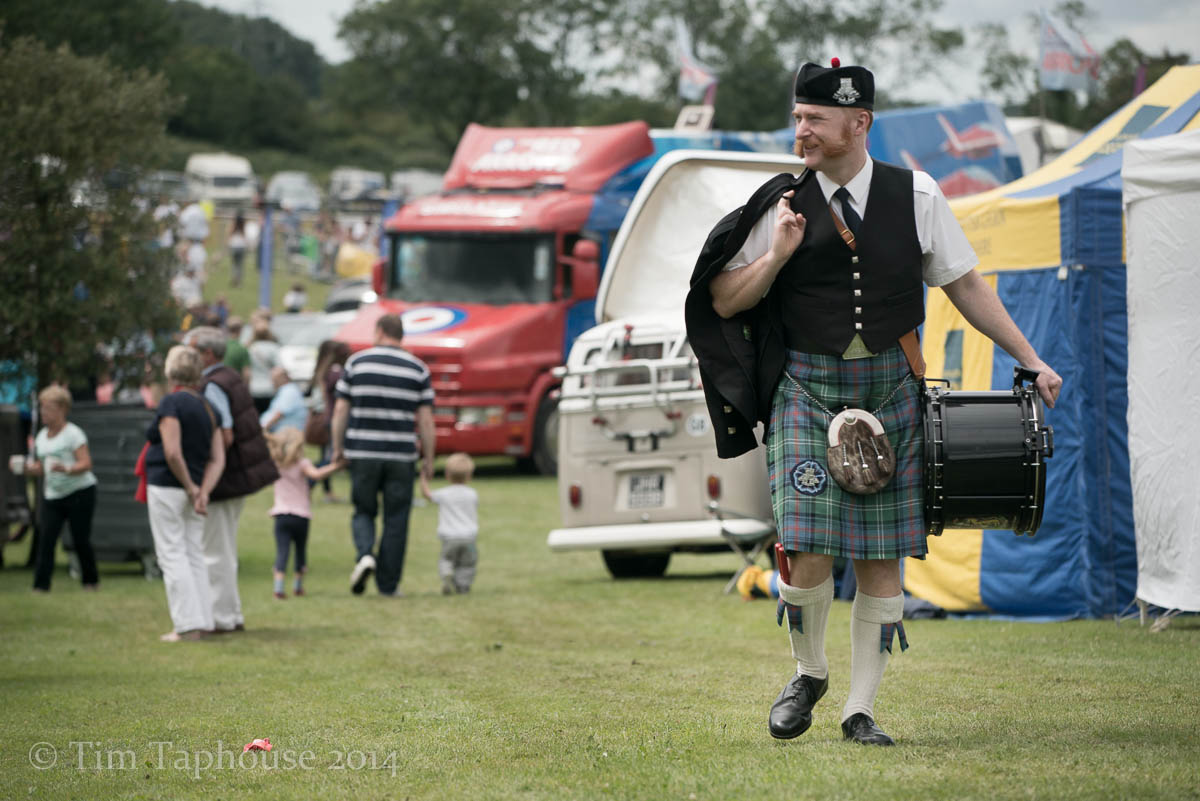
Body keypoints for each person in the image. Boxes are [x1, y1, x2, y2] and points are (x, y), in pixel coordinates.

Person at [688, 59, 1063, 746]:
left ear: (858, 124)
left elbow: (967, 285)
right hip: (804, 388)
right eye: (798, 116)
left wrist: (1029, 357)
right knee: (803, 546)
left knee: (882, 559)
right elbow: (721, 299)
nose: (800, 129)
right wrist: (774, 255)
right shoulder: (781, 201)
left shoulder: (916, 195)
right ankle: (809, 671)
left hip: (890, 387)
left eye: (814, 119)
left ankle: (859, 709)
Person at [331, 313, 435, 597]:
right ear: (401, 336)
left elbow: (341, 410)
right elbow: (425, 420)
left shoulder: (356, 363)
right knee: (397, 518)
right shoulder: (418, 369)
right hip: (401, 455)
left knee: (363, 510)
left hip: (363, 451)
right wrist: (429, 458)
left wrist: (337, 448)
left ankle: (365, 554)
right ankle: (388, 585)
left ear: (378, 332)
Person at [183, 327, 279, 633]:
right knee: (223, 548)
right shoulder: (230, 377)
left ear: (207, 354)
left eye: (192, 350)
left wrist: (207, 469)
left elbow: (224, 434)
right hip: (238, 474)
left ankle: (221, 617)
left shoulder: (212, 385)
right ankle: (231, 614)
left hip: (224, 477)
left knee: (215, 552)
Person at [143, 345, 225, 641]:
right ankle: (204, 620)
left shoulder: (171, 404)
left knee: (172, 554)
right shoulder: (209, 408)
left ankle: (187, 625)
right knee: (193, 553)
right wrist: (203, 491)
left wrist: (191, 488)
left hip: (168, 485)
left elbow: (172, 452)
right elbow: (218, 458)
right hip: (194, 490)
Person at [27, 386, 99, 592]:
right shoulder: (41, 436)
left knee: (80, 539)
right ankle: (41, 586)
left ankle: (90, 581)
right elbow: (43, 468)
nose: (43, 413)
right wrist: (30, 469)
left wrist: (66, 468)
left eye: (48, 408)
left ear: (62, 409)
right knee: (46, 538)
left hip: (80, 492)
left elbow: (86, 464)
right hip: (54, 495)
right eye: (42, 408)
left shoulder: (74, 434)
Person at [264, 427, 344, 599]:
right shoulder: (302, 464)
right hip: (301, 515)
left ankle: (278, 588)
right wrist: (336, 466)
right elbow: (317, 475)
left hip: (281, 515)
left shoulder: (276, 464)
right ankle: (298, 587)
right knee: (300, 550)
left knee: (282, 551)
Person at [419, 452, 479, 595]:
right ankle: (463, 586)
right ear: (469, 476)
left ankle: (446, 573)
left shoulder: (443, 494)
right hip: (469, 537)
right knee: (467, 564)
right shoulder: (472, 494)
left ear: (447, 475)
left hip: (449, 536)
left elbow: (427, 494)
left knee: (446, 558)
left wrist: (423, 478)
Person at [311, 340, 351, 501]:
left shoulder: (325, 371)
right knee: (332, 458)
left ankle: (323, 488)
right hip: (336, 420)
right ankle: (309, 480)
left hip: (329, 418)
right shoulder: (337, 374)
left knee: (327, 457)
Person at [246, 318, 281, 412]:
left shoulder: (250, 348)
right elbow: (279, 369)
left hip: (253, 388)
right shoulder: (273, 347)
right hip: (270, 388)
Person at [260, 367, 307, 434]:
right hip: (280, 433)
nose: (273, 382)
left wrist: (263, 428)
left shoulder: (289, 391)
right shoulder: (285, 390)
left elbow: (280, 413)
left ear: (284, 378)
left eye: (275, 379)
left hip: (285, 435)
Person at [223, 317, 252, 386]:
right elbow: (247, 374)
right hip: (236, 385)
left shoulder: (221, 346)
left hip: (222, 383)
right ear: (240, 330)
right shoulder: (242, 349)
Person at [229, 212, 248, 288]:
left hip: (234, 246)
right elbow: (244, 236)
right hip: (241, 246)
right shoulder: (243, 226)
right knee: (240, 266)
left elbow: (229, 234)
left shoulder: (233, 226)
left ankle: (234, 280)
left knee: (234, 265)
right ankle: (239, 282)